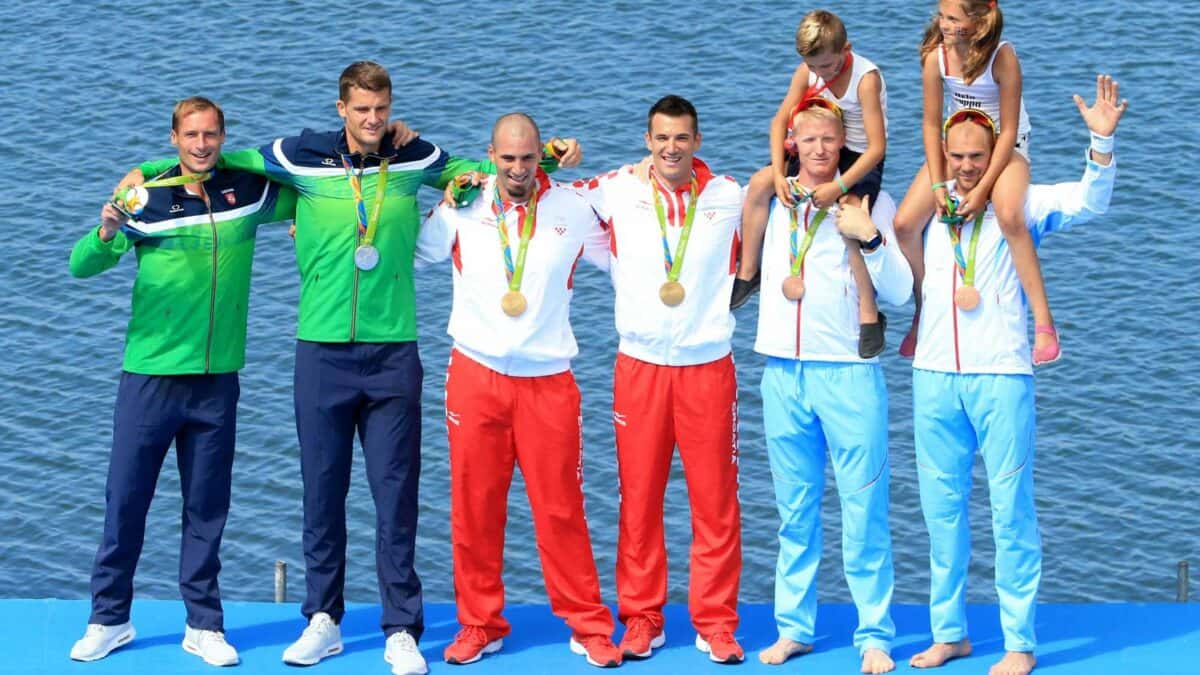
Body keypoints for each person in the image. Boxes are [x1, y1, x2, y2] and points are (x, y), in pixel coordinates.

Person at [128, 61, 579, 675]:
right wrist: (149, 172)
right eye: (362, 110)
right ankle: (323, 619)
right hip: (321, 354)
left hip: (394, 355)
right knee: (322, 493)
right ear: (341, 108)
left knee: (396, 496)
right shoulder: (298, 155)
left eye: (381, 109)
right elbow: (217, 161)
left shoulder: (415, 156)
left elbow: (483, 171)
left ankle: (401, 629)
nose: (373, 120)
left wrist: (549, 156)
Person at [907, 75, 1125, 675]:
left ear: (997, 154)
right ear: (943, 155)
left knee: (1010, 513)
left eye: (978, 156)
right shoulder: (929, 210)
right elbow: (889, 246)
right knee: (941, 516)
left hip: (1001, 375)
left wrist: (1101, 144)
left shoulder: (1019, 206)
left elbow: (1089, 203)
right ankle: (949, 634)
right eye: (957, 157)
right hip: (933, 376)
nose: (967, 167)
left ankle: (1019, 642)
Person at [68, 97, 296, 667]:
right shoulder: (144, 197)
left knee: (207, 508)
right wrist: (107, 229)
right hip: (150, 378)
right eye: (191, 135)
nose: (201, 144)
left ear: (223, 137)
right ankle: (108, 619)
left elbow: (312, 189)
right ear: (174, 137)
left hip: (217, 381)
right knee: (126, 502)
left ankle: (204, 625)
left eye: (211, 135)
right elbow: (81, 265)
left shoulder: (248, 192)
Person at [414, 113, 621, 669]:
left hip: (548, 381)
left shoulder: (573, 208)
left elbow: (630, 262)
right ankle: (480, 624)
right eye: (507, 159)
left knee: (561, 509)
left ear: (540, 156)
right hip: (475, 375)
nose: (518, 169)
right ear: (491, 157)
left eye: (528, 158)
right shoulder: (463, 205)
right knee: (475, 509)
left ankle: (588, 624)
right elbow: (410, 254)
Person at [578, 95, 746, 664]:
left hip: (707, 367)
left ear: (697, 141)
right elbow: (544, 194)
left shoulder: (729, 195)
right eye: (661, 138)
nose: (671, 148)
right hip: (640, 366)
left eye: (681, 138)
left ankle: (716, 622)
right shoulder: (616, 189)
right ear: (646, 141)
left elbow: (781, 208)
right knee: (639, 500)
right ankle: (642, 617)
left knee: (716, 503)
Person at [752, 99, 911, 674]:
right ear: (791, 142)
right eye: (809, 139)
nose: (819, 149)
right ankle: (794, 628)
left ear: (843, 143)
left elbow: (901, 291)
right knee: (795, 514)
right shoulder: (772, 197)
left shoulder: (869, 200)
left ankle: (875, 635)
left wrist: (869, 237)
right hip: (782, 373)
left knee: (864, 512)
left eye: (829, 139)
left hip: (849, 375)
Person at [893, 0, 1059, 365]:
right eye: (942, 16)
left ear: (979, 21)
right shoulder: (936, 57)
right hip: (960, 147)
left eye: (953, 19)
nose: (944, 24)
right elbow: (931, 125)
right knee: (904, 224)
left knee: (1010, 215)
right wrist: (938, 186)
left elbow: (1009, 130)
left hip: (1005, 147)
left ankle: (1044, 323)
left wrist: (983, 190)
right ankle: (923, 310)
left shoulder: (1002, 58)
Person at [732, 9, 889, 359]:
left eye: (828, 66)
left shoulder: (865, 80)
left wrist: (839, 188)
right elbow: (779, 123)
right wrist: (777, 174)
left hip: (858, 154)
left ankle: (869, 313)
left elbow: (877, 147)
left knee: (850, 216)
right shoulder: (808, 71)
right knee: (758, 184)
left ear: (846, 49)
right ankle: (748, 271)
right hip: (821, 141)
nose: (822, 73)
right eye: (813, 66)